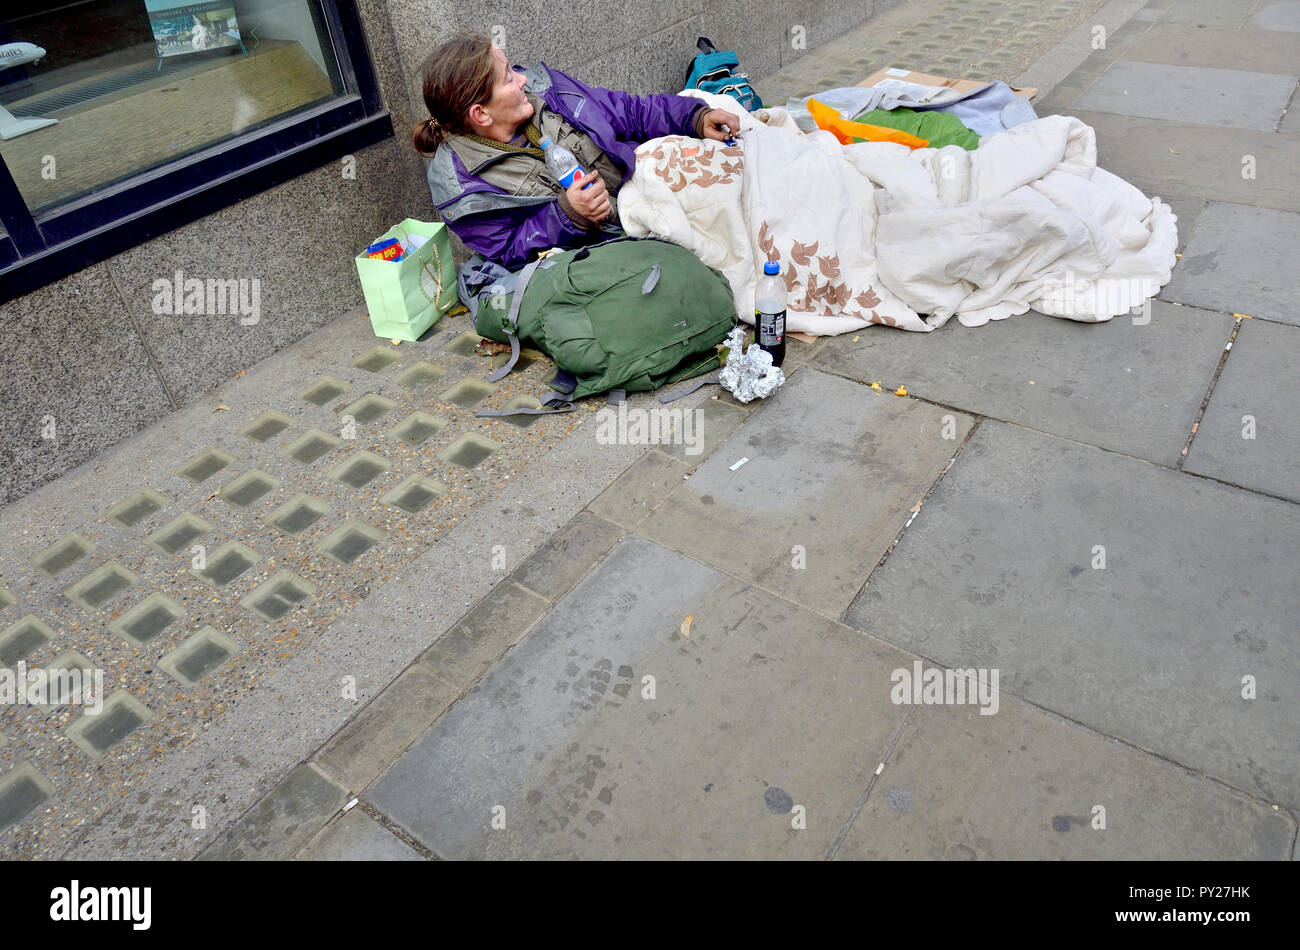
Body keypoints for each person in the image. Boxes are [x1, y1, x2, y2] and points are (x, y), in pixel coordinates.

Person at [413, 32, 740, 270]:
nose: (522, 79)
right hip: (617, 249)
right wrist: (567, 215)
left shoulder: (546, 91)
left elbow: (627, 111)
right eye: (508, 78)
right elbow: (508, 252)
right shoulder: (463, 187)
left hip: (651, 186)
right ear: (481, 114)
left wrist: (694, 117)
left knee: (744, 163)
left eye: (512, 68)